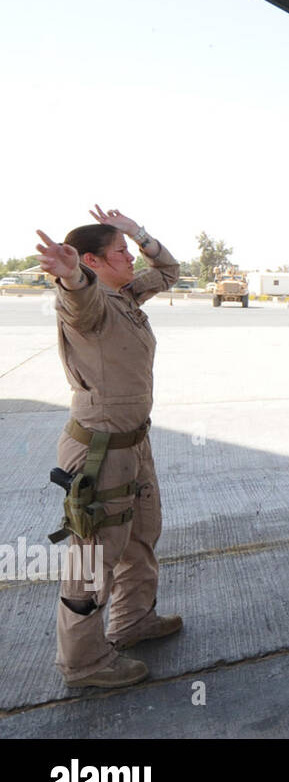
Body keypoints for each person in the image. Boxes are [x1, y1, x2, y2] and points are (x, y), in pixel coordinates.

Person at [35, 206, 183, 688]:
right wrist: (71, 274)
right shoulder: (92, 303)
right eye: (121, 252)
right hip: (100, 451)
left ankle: (132, 621)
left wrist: (137, 231)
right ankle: (83, 662)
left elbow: (169, 271)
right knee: (89, 556)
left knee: (140, 536)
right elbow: (77, 299)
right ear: (94, 262)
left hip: (133, 444)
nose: (130, 258)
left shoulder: (126, 295)